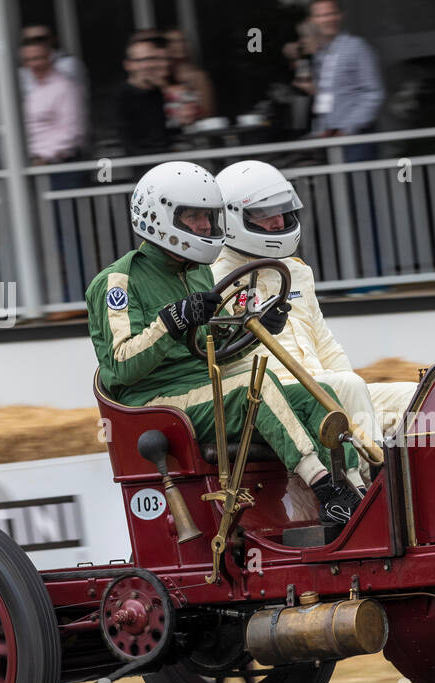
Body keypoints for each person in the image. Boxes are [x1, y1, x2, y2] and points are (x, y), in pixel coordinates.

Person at [86, 161, 365, 528]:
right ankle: (328, 490)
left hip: (204, 389)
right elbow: (120, 366)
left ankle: (358, 491)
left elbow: (210, 346)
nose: (205, 226)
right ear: (160, 217)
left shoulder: (199, 271)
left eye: (208, 216)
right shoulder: (118, 282)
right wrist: (170, 322)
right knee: (255, 386)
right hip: (156, 404)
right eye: (193, 216)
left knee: (320, 391)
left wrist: (257, 328)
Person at [212, 160, 416, 484]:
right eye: (266, 215)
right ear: (233, 219)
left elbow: (326, 343)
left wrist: (351, 386)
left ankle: (429, 492)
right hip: (282, 401)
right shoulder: (214, 281)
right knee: (347, 387)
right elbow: (224, 363)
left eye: (282, 211)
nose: (279, 221)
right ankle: (377, 490)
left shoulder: (297, 272)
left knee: (416, 396)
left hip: (330, 388)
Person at [308, 0, 383, 160]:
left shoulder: (357, 47)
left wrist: (346, 130)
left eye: (330, 14)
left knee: (359, 185)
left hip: (356, 139)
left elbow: (373, 93)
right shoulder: (320, 53)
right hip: (330, 139)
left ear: (340, 15)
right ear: (314, 20)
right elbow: (325, 95)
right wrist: (321, 129)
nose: (326, 19)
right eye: (320, 15)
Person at [21, 36, 84, 167]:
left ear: (50, 58)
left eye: (37, 58)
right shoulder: (31, 88)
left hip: (62, 166)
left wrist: (44, 157)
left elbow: (72, 132)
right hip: (35, 164)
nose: (33, 64)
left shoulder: (65, 87)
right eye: (28, 60)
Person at [19, 23, 88, 137]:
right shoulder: (22, 72)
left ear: (52, 38)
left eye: (41, 39)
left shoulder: (69, 64)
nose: (36, 43)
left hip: (64, 137)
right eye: (29, 40)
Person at [116, 34, 172, 156]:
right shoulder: (122, 97)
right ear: (128, 65)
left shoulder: (159, 91)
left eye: (152, 58)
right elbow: (128, 143)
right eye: (141, 60)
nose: (149, 65)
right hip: (144, 165)